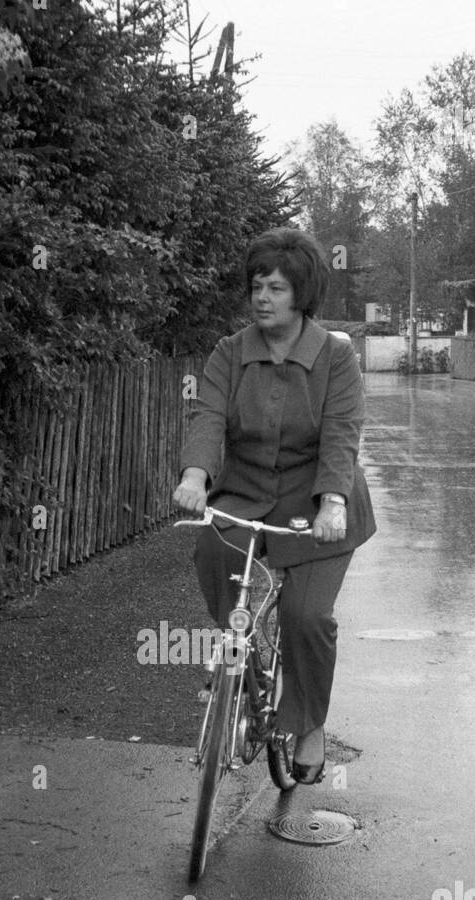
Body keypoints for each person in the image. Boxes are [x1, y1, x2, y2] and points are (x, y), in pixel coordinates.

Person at [173, 227, 376, 784]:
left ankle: (309, 725)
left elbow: (342, 432)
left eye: (277, 288)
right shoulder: (230, 353)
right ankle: (242, 665)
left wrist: (332, 502)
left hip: (316, 502)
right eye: (258, 286)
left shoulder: (335, 356)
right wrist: (195, 473)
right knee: (213, 552)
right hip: (246, 491)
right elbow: (209, 415)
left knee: (306, 617)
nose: (263, 297)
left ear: (301, 295)